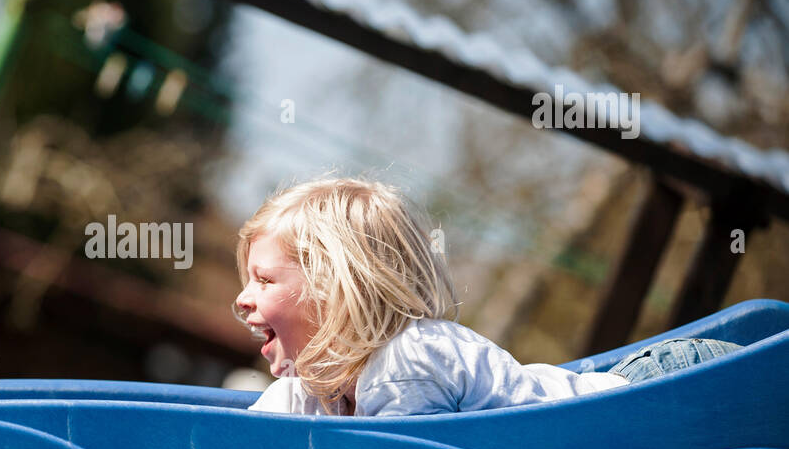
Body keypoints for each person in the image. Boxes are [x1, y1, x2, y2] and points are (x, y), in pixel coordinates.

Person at [233, 175, 742, 416]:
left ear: (336, 287)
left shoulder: (407, 362)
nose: (242, 299)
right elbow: (253, 440)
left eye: (265, 279)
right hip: (632, 400)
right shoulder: (325, 389)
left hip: (658, 392)